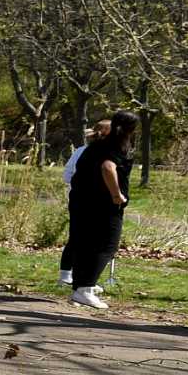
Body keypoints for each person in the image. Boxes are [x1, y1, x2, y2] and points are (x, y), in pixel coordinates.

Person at [62, 110, 137, 311]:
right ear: (131, 129)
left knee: (83, 242)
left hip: (81, 200)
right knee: (107, 245)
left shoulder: (96, 146)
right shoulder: (116, 147)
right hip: (103, 204)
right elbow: (108, 168)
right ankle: (85, 288)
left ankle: (80, 287)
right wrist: (116, 195)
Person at [58, 117, 111, 288]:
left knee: (77, 236)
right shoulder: (99, 153)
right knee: (88, 239)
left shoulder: (80, 150)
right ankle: (79, 277)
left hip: (77, 197)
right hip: (91, 200)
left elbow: (67, 176)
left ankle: (69, 274)